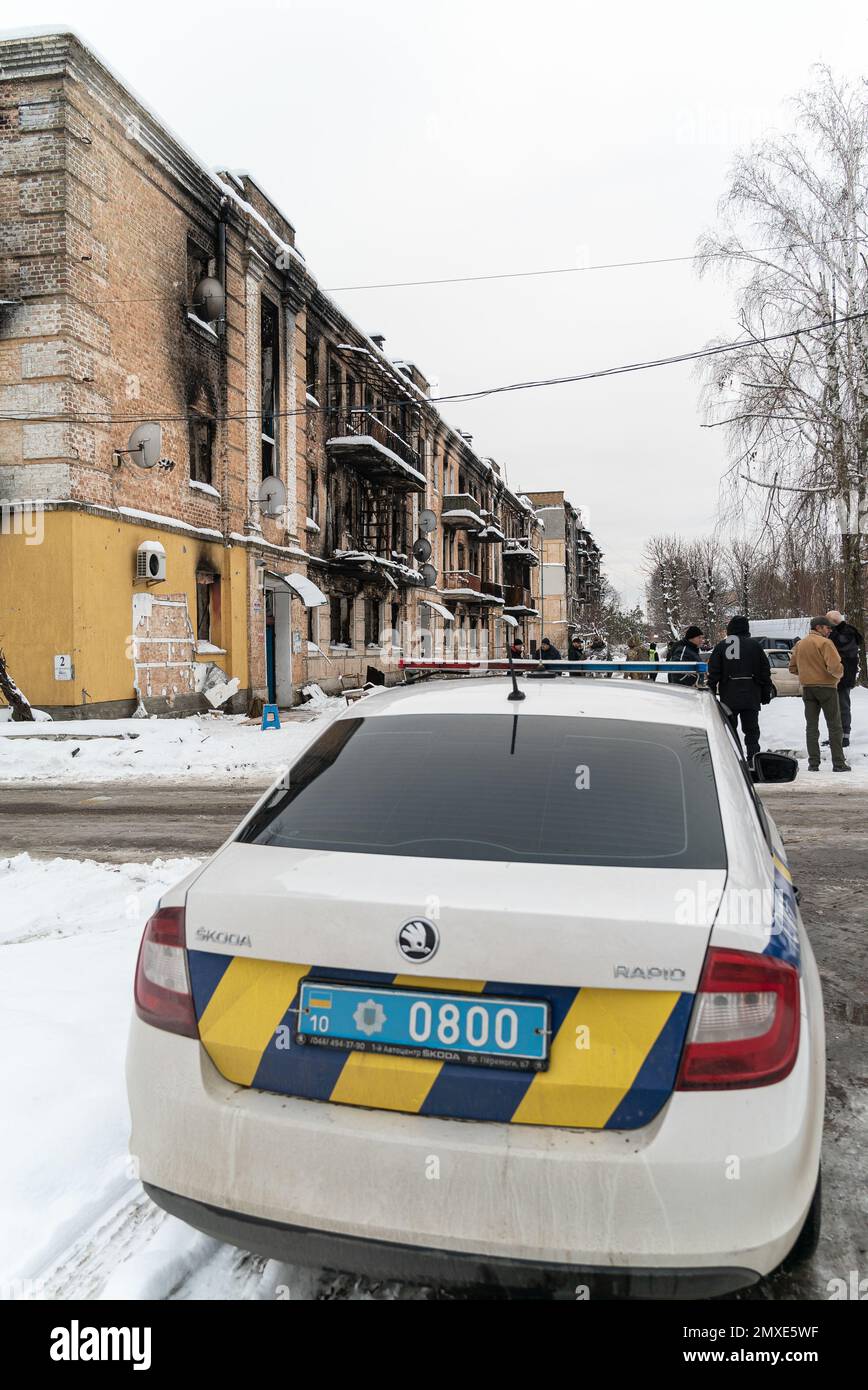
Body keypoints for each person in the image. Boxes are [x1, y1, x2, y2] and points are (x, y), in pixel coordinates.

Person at [707, 615, 773, 763]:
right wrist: (765, 691)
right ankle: (753, 758)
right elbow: (764, 671)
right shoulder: (755, 646)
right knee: (751, 729)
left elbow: (714, 671)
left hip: (729, 694)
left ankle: (734, 759)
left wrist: (710, 691)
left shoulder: (721, 646)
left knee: (730, 728)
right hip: (751, 694)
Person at [789, 617, 849, 772]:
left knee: (811, 727)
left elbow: (792, 668)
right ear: (819, 627)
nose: (829, 631)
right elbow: (834, 666)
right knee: (835, 726)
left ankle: (813, 763)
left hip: (808, 688)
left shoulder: (800, 644)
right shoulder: (825, 643)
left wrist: (807, 674)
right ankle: (838, 763)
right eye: (827, 628)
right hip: (827, 688)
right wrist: (839, 675)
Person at [825, 609, 863, 748]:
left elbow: (842, 647)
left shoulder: (847, 633)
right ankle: (835, 735)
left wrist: (831, 635)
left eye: (828, 624)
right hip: (836, 675)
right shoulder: (839, 633)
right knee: (834, 708)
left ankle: (844, 736)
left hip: (844, 677)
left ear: (833, 622)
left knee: (843, 706)